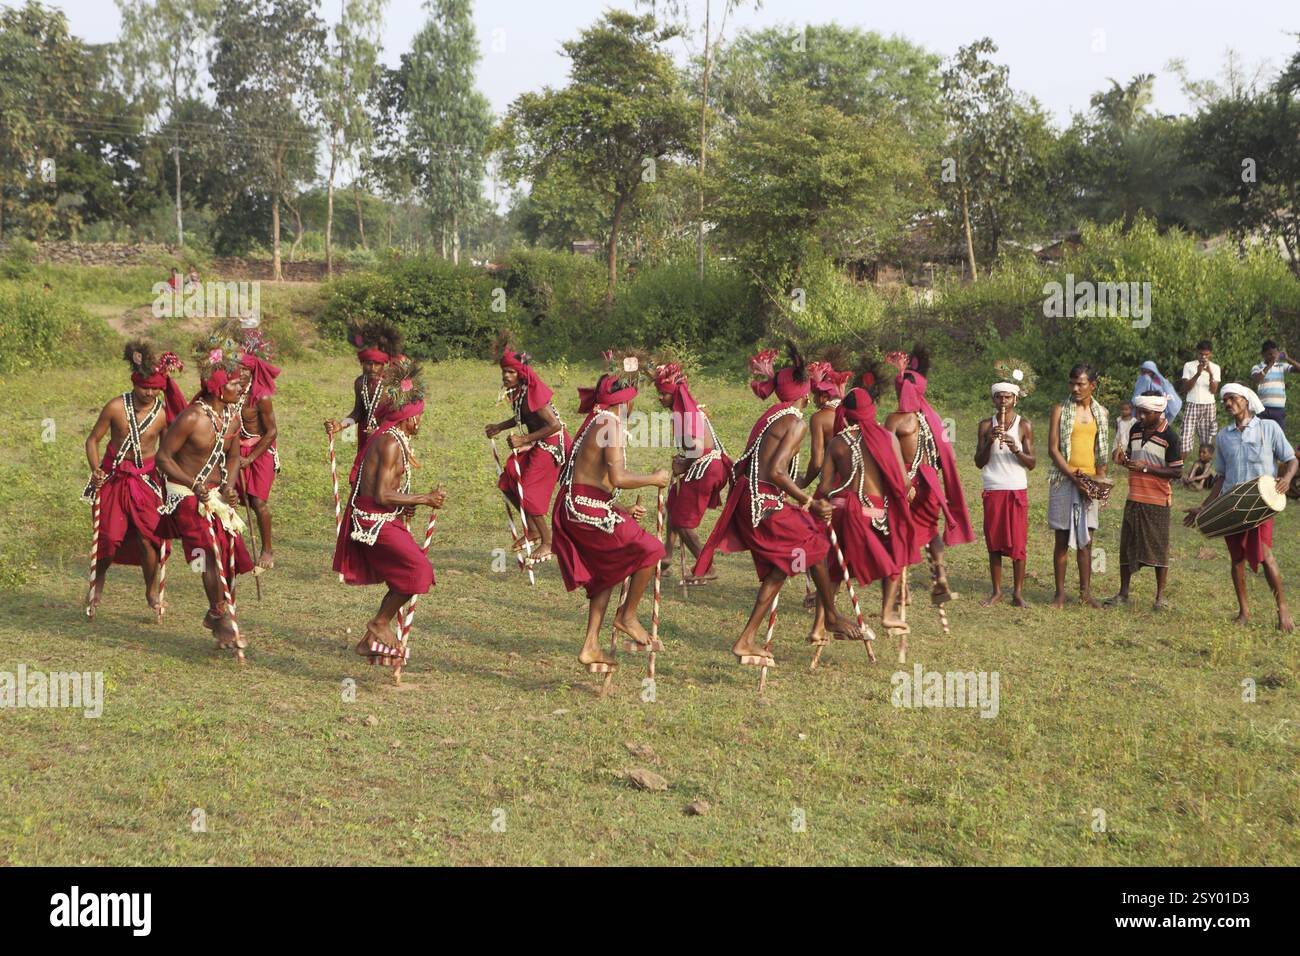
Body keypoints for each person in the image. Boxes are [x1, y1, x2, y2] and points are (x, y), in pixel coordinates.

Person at [693, 343, 862, 668]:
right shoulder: (795, 422)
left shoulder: (777, 416)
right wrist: (809, 501)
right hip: (762, 503)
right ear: (805, 393)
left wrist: (798, 495)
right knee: (816, 543)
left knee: (781, 567)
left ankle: (746, 640)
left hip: (752, 499)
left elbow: (774, 470)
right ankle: (832, 618)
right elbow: (776, 471)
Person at [550, 368, 669, 674]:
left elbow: (597, 480)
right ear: (625, 401)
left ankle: (591, 645)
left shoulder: (599, 419)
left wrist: (623, 509)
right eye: (633, 402)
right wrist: (654, 478)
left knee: (607, 572)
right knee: (652, 550)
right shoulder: (610, 424)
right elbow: (617, 476)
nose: (633, 408)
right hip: (586, 510)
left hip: (584, 505)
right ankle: (627, 615)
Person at [333, 358, 445, 665]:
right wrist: (423, 499)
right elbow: (382, 495)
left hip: (382, 518)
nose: (420, 423)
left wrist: (405, 505)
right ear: (407, 418)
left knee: (405, 575)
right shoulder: (391, 442)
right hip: (373, 522)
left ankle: (369, 642)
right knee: (419, 571)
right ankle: (379, 624)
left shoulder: (393, 437)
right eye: (418, 417)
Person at [155, 346, 255, 657]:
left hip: (212, 492)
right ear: (217, 388)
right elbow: (163, 458)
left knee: (229, 555)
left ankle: (215, 615)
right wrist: (192, 484)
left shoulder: (233, 417)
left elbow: (235, 456)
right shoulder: (192, 417)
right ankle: (221, 613)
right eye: (235, 384)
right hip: (183, 492)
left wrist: (228, 486)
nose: (240, 388)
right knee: (209, 552)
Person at [82, 341, 186, 618]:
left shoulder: (163, 414)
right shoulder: (116, 407)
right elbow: (92, 440)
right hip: (114, 479)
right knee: (108, 537)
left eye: (154, 388)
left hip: (147, 482)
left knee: (148, 538)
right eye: (144, 387)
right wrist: (95, 469)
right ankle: (97, 584)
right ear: (134, 382)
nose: (149, 393)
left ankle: (151, 591)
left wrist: (171, 483)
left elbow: (167, 451)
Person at [1184, 384, 1297, 632]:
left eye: (1232, 398)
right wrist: (1204, 507)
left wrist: (1287, 479)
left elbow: (1291, 459)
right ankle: (1244, 611)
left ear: (1246, 401)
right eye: (1224, 400)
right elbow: (1222, 477)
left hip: (1261, 504)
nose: (1227, 403)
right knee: (1236, 559)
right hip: (1232, 505)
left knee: (1266, 556)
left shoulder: (1269, 428)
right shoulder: (1224, 437)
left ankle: (1283, 610)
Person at [812, 378, 913, 635]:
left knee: (834, 571)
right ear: (871, 411)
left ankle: (818, 628)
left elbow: (824, 487)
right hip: (873, 513)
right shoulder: (887, 438)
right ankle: (888, 614)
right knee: (898, 554)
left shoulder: (837, 442)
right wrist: (908, 489)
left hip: (838, 511)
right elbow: (901, 482)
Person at [883, 346, 976, 604]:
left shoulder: (896, 420)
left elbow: (884, 454)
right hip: (931, 487)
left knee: (899, 531)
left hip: (908, 485)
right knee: (931, 532)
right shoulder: (931, 419)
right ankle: (940, 579)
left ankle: (903, 588)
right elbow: (947, 456)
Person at [485, 340, 567, 566]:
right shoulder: (518, 392)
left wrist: (523, 439)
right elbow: (524, 417)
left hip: (552, 443)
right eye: (504, 371)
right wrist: (500, 426)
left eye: (510, 371)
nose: (506, 376)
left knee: (528, 491)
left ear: (520, 373)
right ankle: (533, 530)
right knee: (508, 478)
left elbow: (555, 425)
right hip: (537, 442)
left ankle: (548, 541)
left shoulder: (534, 391)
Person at [653, 361, 731, 581]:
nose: (660, 398)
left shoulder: (687, 414)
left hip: (707, 468)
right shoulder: (684, 410)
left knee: (681, 521)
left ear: (673, 394)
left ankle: (706, 567)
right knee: (673, 502)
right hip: (706, 465)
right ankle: (666, 555)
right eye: (659, 393)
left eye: (663, 394)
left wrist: (683, 464)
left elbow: (696, 448)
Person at [1105, 392, 1183, 611]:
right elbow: (1132, 457)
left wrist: (1147, 468)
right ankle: (1123, 592)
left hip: (1158, 498)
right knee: (1126, 545)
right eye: (1139, 411)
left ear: (1159, 412)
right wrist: (1124, 461)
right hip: (1135, 495)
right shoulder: (1135, 430)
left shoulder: (1170, 436)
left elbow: (1177, 472)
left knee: (1158, 547)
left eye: (1146, 413)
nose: (1140, 416)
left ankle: (1160, 597)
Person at [1046, 363, 1110, 608]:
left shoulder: (1101, 413)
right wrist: (1076, 479)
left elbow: (1101, 454)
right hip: (1064, 480)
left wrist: (1097, 486)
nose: (1075, 388)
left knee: (1087, 538)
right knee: (1061, 537)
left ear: (1092, 386)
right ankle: (1060, 593)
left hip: (1090, 482)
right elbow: (1053, 450)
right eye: (1071, 383)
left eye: (1080, 383)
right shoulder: (1060, 410)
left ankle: (1085, 593)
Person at [974, 380, 1035, 607]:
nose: (1003, 401)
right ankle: (997, 591)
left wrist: (1016, 449)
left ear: (1015, 400)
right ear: (993, 399)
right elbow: (979, 462)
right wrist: (990, 441)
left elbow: (1032, 463)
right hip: (993, 487)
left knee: (1018, 543)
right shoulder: (984, 426)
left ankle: (1017, 593)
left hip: (1016, 488)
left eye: (1007, 397)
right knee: (994, 542)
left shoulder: (1023, 425)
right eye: (999, 397)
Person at [325, 319, 403, 473]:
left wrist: (380, 432)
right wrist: (341, 425)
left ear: (384, 364)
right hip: (365, 436)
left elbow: (399, 417)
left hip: (388, 439)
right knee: (362, 478)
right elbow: (358, 412)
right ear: (362, 363)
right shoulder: (360, 383)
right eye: (368, 363)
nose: (372, 368)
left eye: (376, 364)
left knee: (383, 480)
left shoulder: (391, 385)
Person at [234, 326, 280, 571]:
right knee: (225, 497)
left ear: (251, 372)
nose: (238, 374)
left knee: (257, 502)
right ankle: (232, 548)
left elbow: (272, 432)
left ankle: (267, 550)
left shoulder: (260, 396)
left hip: (260, 452)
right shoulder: (230, 393)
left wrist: (250, 458)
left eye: (243, 370)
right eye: (236, 370)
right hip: (235, 453)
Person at [800, 359, 852, 488]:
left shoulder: (819, 418)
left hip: (835, 481)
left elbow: (817, 462)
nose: (814, 399)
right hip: (858, 479)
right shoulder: (851, 413)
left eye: (815, 395)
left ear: (824, 397)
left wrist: (804, 482)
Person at [1178, 340, 1220, 457]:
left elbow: (1214, 390)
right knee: (1185, 438)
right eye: (1201, 354)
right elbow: (1186, 388)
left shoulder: (1215, 367)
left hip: (1209, 405)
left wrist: (1210, 374)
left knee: (1207, 440)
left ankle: (1204, 469)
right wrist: (1197, 374)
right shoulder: (1189, 365)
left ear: (1210, 354)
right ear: (1197, 353)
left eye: (1206, 354)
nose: (1203, 357)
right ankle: (1178, 469)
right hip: (1192, 404)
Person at [1250, 340, 1300, 430]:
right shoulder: (1257, 367)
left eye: (1275, 353)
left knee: (1279, 435)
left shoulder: (1281, 366)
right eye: (1270, 354)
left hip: (1278, 408)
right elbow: (1257, 378)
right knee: (1262, 435)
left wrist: (1288, 359)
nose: (1273, 356)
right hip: (1263, 408)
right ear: (1263, 354)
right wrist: (1270, 364)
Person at [1132, 361, 1182, 426]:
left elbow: (1169, 393)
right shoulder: (1143, 379)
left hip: (1160, 408)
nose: (1146, 374)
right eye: (1144, 372)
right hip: (1145, 407)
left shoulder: (1162, 382)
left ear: (1153, 372)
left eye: (1148, 372)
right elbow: (1137, 396)